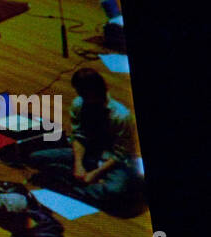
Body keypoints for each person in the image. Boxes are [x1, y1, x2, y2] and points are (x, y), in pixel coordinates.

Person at [25, 67, 144, 216]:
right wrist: (79, 165)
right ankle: (81, 188)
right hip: (89, 155)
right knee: (35, 158)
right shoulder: (79, 104)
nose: (82, 97)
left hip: (115, 163)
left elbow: (120, 154)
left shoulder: (121, 116)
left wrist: (95, 173)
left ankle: (69, 188)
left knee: (114, 190)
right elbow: (79, 137)